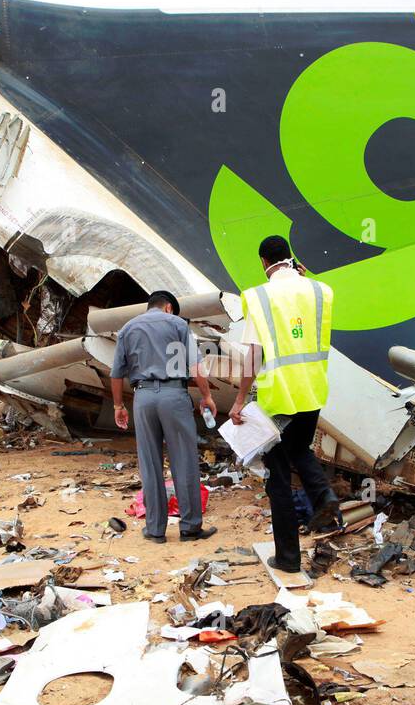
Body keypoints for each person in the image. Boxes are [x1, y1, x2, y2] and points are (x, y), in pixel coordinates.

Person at [230, 235, 340, 571]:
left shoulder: (258, 297)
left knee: (277, 476)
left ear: (264, 262)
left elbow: (253, 355)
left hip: (278, 396)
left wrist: (238, 400)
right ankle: (323, 497)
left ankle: (289, 559)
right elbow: (302, 325)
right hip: (312, 390)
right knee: (301, 449)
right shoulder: (320, 290)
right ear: (290, 258)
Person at [110, 290, 218, 543]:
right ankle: (190, 528)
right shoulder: (178, 324)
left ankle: (156, 529)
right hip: (173, 395)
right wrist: (207, 396)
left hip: (143, 397)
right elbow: (194, 366)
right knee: (184, 460)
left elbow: (116, 373)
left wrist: (118, 406)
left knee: (149, 462)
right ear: (169, 307)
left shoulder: (128, 328)